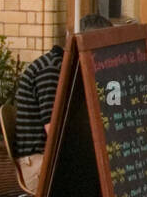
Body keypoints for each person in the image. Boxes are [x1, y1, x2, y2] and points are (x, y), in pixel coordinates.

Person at [12, 14, 112, 185]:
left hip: (55, 158)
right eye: (103, 49)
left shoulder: (67, 68)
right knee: (111, 175)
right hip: (41, 163)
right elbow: (54, 129)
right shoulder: (52, 71)